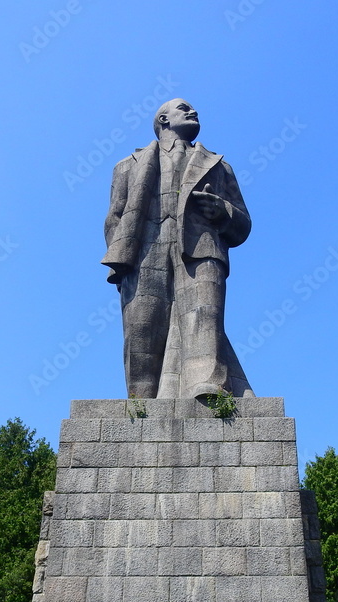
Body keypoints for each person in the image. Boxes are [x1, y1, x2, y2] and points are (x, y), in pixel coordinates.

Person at [102, 98, 254, 399]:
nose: (193, 111)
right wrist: (120, 257)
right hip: (143, 251)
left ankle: (207, 388)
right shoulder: (126, 166)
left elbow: (243, 223)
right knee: (142, 330)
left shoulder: (219, 165)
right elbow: (113, 217)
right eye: (184, 108)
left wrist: (222, 211)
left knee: (204, 319)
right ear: (163, 119)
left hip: (201, 249)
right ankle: (141, 402)